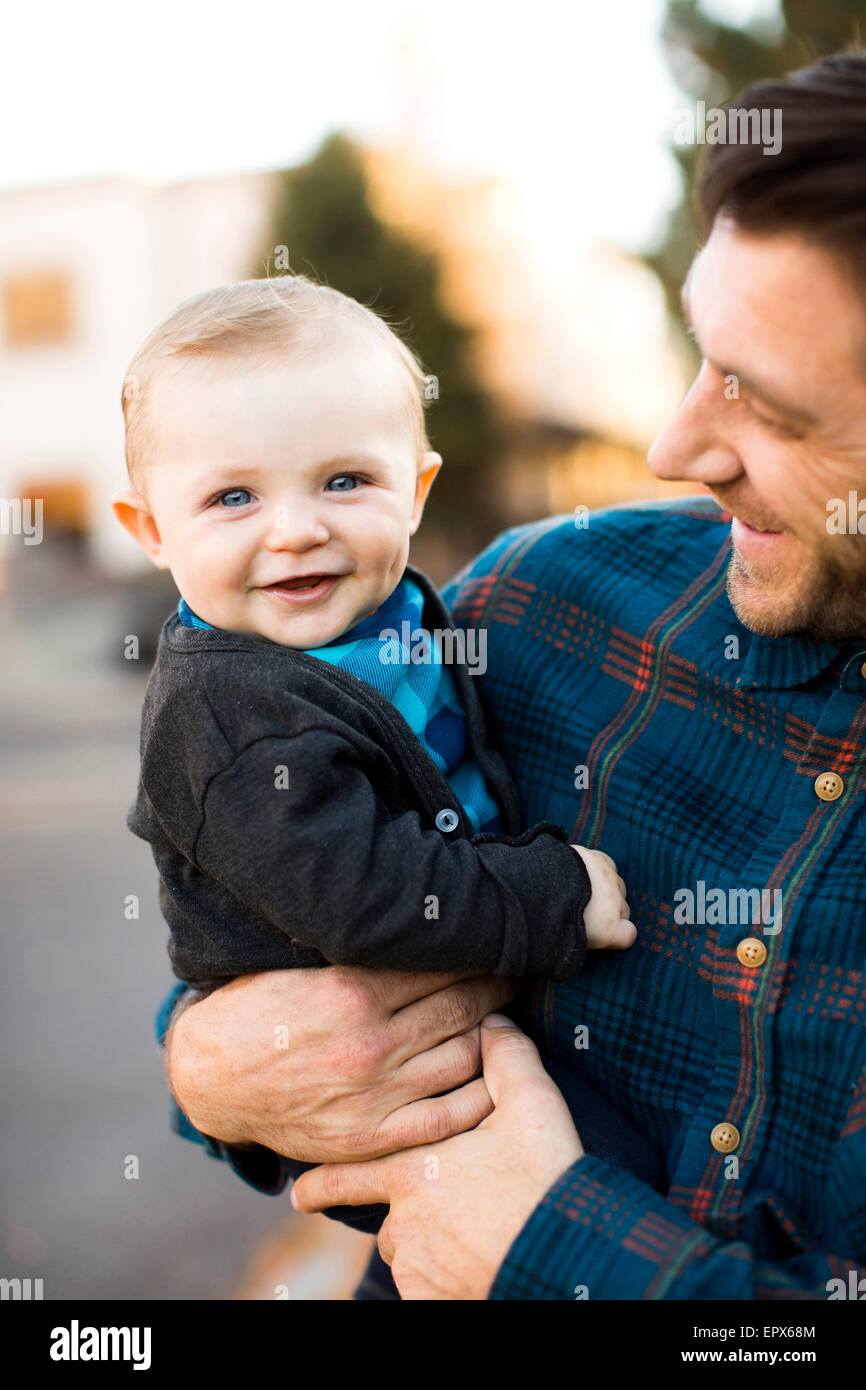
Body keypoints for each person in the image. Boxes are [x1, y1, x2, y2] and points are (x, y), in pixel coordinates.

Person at [160, 51, 866, 1299]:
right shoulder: (549, 602)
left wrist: (549, 1253)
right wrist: (207, 1060)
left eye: (773, 409)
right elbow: (280, 889)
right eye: (702, 356)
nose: (672, 444)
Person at [113, 277, 658, 1252]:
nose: (295, 528)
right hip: (382, 1083)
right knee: (611, 1175)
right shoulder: (228, 712)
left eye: (343, 481)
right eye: (232, 496)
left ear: (416, 487)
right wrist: (549, 894)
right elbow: (362, 893)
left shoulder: (390, 615)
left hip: (456, 993)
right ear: (153, 530)